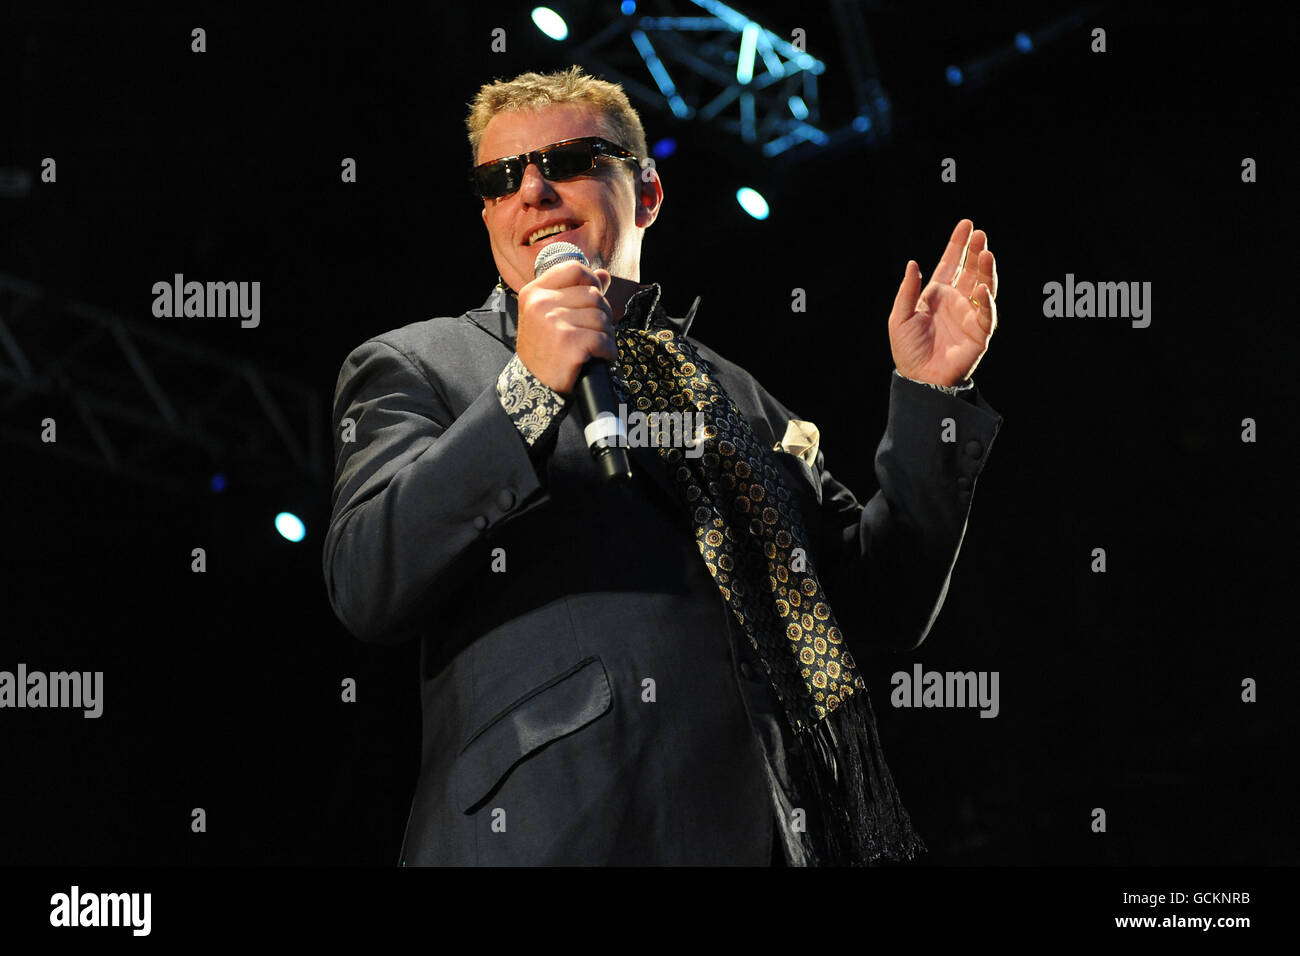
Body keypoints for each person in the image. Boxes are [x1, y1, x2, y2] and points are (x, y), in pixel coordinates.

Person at [322, 65, 1004, 866]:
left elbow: (877, 604)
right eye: (502, 178)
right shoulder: (417, 362)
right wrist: (526, 392)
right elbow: (368, 579)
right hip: (560, 832)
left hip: (779, 835)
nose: (533, 191)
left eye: (571, 159)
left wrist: (932, 398)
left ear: (647, 193)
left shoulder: (739, 398)